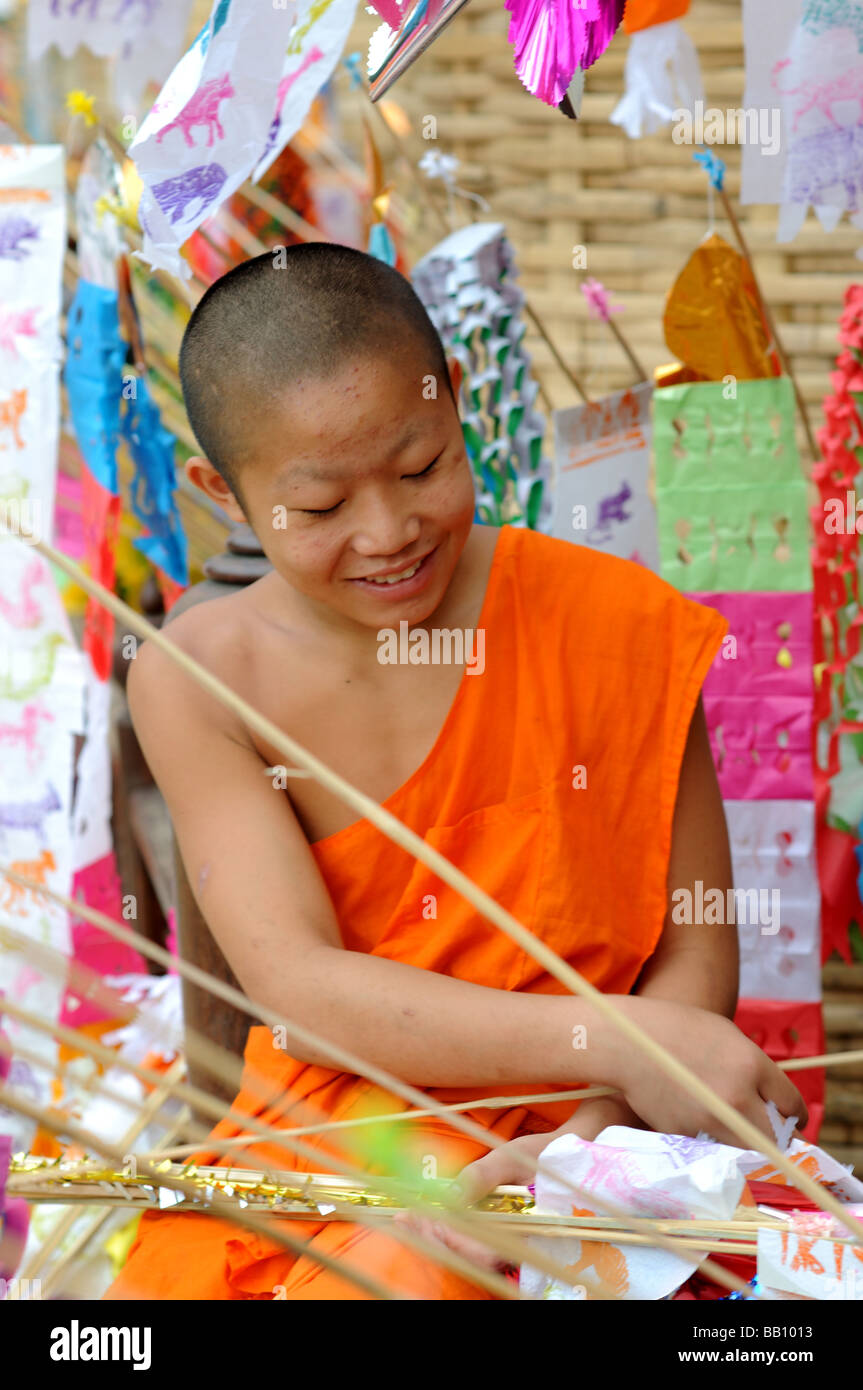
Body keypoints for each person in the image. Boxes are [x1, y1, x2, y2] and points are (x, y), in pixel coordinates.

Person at [105, 245, 805, 1300]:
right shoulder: (200, 679)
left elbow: (691, 948)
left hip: (624, 1120)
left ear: (456, 405)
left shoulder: (610, 615)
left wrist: (582, 1149)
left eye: (421, 466)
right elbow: (301, 989)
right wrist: (611, 1038)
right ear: (223, 492)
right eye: (322, 506)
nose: (388, 532)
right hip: (359, 1133)